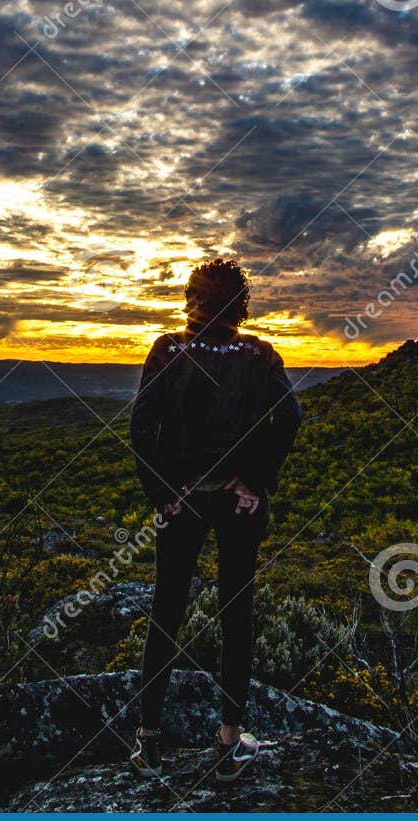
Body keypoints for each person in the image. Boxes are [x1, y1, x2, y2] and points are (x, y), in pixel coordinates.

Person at [127, 258, 301, 780]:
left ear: (191, 299)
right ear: (241, 304)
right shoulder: (260, 354)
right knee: (236, 610)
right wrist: (253, 479)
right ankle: (229, 743)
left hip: (182, 500)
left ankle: (149, 742)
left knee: (167, 608)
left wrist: (163, 492)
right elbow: (290, 417)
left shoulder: (168, 350)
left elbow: (141, 427)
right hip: (239, 502)